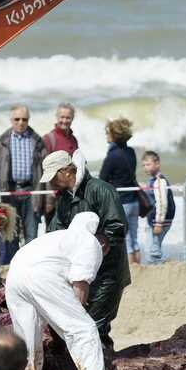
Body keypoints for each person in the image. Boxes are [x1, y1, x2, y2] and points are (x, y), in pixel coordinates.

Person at [3, 208, 106, 370]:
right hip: (41, 275)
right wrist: (76, 313)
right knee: (83, 328)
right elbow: (80, 282)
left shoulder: (56, 236)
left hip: (15, 274)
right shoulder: (91, 242)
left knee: (26, 335)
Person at [45, 149, 131, 352]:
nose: (51, 183)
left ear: (67, 171)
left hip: (108, 273)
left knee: (95, 325)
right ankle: (101, 362)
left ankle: (100, 365)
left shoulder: (101, 190)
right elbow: (55, 233)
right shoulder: (65, 198)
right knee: (85, 323)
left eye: (53, 177)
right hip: (82, 274)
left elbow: (117, 227)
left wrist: (96, 247)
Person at [0, 106, 47, 263]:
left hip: (32, 192)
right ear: (11, 120)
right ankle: (11, 267)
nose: (21, 122)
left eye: (24, 119)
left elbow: (46, 170)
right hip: (9, 193)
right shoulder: (1, 141)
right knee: (10, 235)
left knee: (31, 234)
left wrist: (48, 199)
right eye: (17, 119)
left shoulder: (37, 141)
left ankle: (30, 266)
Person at [99, 117, 142, 266]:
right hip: (134, 201)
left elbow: (102, 179)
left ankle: (132, 270)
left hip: (122, 202)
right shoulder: (131, 152)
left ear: (114, 135)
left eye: (107, 133)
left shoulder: (112, 156)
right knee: (134, 239)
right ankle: (139, 267)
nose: (106, 135)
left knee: (126, 241)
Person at [41, 103, 79, 227]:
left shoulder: (73, 139)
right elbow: (43, 170)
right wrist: (49, 198)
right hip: (54, 196)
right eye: (62, 117)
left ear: (72, 118)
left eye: (68, 117)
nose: (64, 120)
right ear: (56, 117)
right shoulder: (48, 139)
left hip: (71, 194)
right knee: (54, 232)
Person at [141, 150, 173, 265]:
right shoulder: (153, 181)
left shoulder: (159, 181)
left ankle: (162, 267)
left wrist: (159, 223)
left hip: (159, 221)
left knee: (152, 251)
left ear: (157, 164)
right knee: (153, 248)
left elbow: (162, 203)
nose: (145, 168)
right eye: (144, 165)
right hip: (156, 220)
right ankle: (163, 265)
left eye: (148, 164)